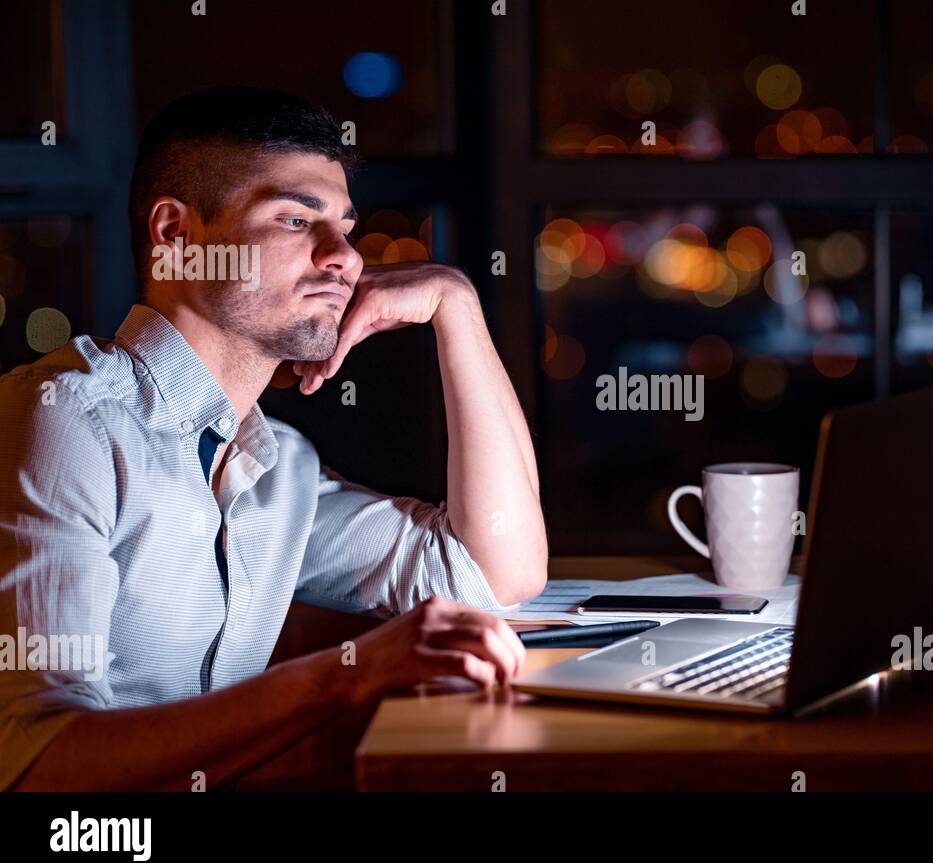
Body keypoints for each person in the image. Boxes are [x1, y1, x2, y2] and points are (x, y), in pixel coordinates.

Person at [0, 86, 547, 790]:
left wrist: (457, 306)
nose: (344, 257)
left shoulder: (278, 467)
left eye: (346, 228)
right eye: (295, 219)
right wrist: (344, 676)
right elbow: (38, 766)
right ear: (176, 235)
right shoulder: (64, 417)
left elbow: (497, 575)